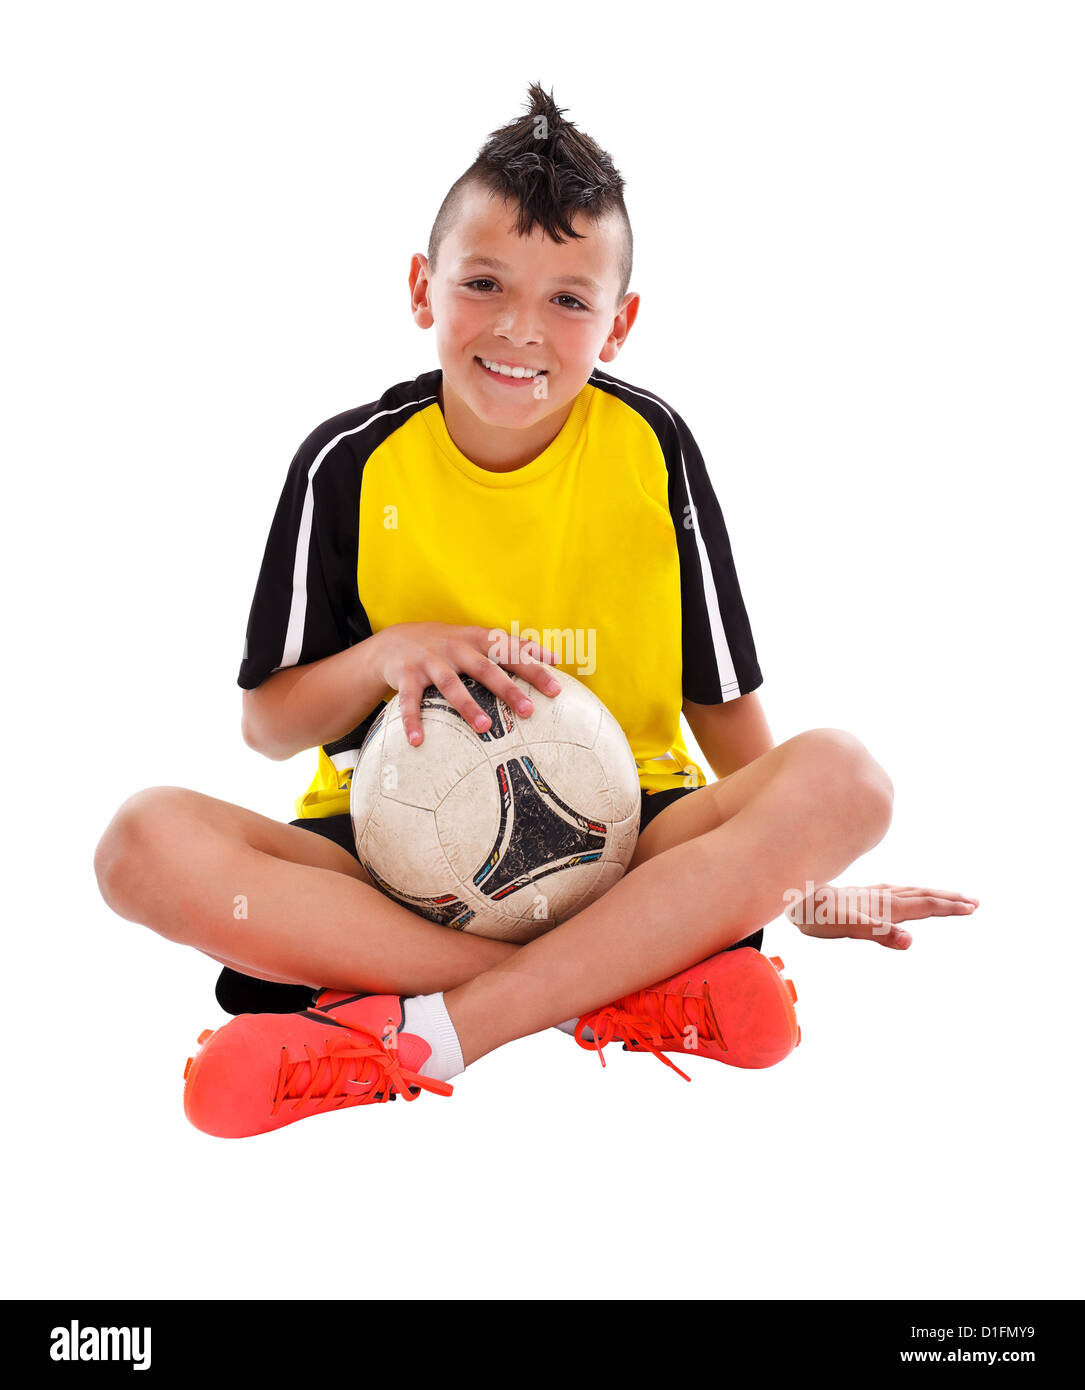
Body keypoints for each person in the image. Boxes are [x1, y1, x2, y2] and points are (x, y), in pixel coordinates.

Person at [94, 83, 978, 1138]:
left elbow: (727, 714)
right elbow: (272, 724)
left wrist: (796, 880)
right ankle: (603, 988)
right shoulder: (348, 462)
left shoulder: (651, 446)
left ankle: (430, 1027)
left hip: (630, 842)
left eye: (568, 298)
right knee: (138, 846)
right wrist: (387, 654)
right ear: (422, 288)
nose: (519, 329)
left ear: (621, 321)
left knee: (847, 780)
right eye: (482, 283)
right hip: (384, 862)